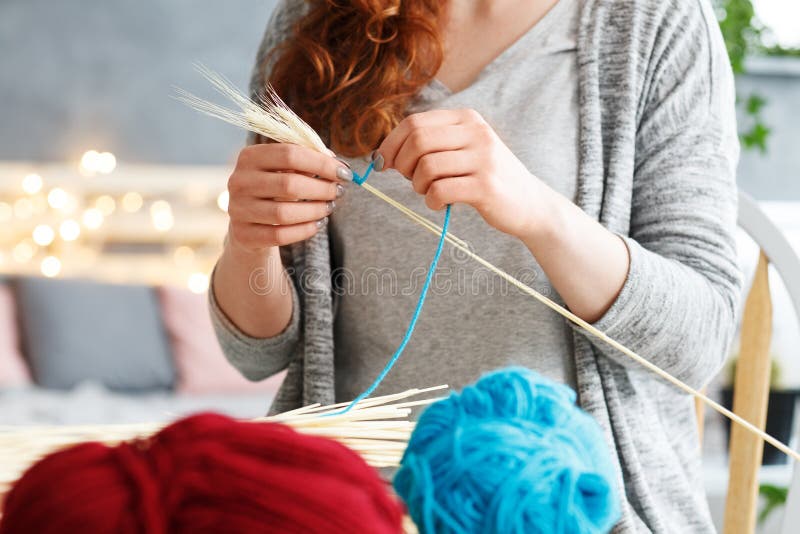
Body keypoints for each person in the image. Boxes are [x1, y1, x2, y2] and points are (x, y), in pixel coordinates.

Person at [209, 0, 742, 531]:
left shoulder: (652, 20)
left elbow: (697, 343)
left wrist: (539, 211)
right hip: (353, 508)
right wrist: (249, 243)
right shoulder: (314, 15)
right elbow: (255, 355)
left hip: (564, 509)